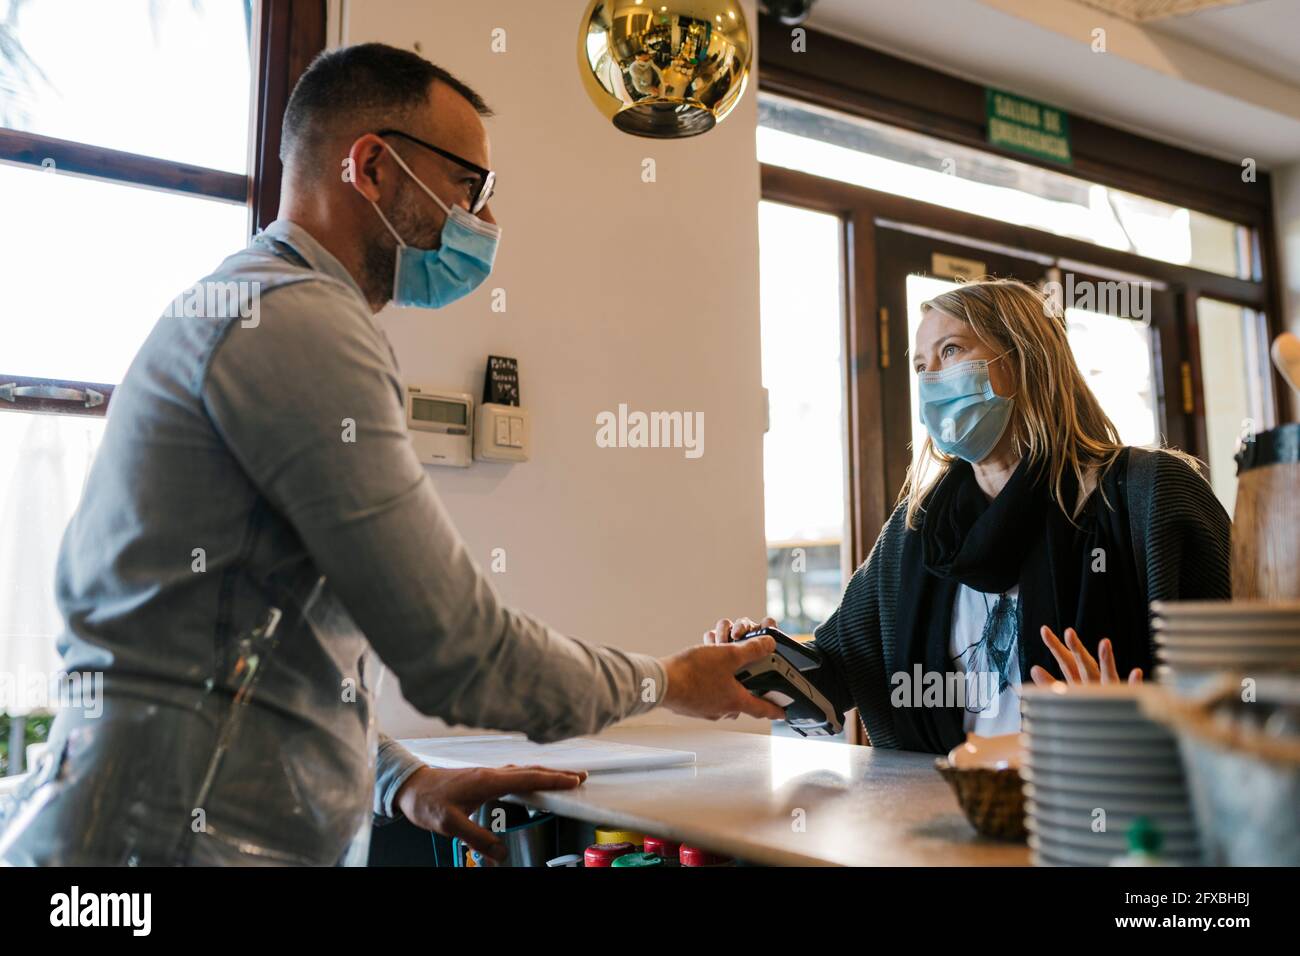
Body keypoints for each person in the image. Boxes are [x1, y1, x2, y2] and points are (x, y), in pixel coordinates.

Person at [0, 43, 782, 867]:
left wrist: (402, 779)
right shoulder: (297, 320)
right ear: (371, 167)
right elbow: (465, 656)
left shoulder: (260, 306)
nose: (483, 221)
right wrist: (668, 679)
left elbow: (268, 653)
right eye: (468, 186)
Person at [705, 279, 1229, 754]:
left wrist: (1139, 721)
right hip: (942, 824)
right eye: (920, 365)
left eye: (951, 350)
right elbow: (841, 673)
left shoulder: (1147, 495)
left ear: (1026, 361)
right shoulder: (916, 533)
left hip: (1099, 822)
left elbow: (1247, 687)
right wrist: (760, 658)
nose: (931, 378)